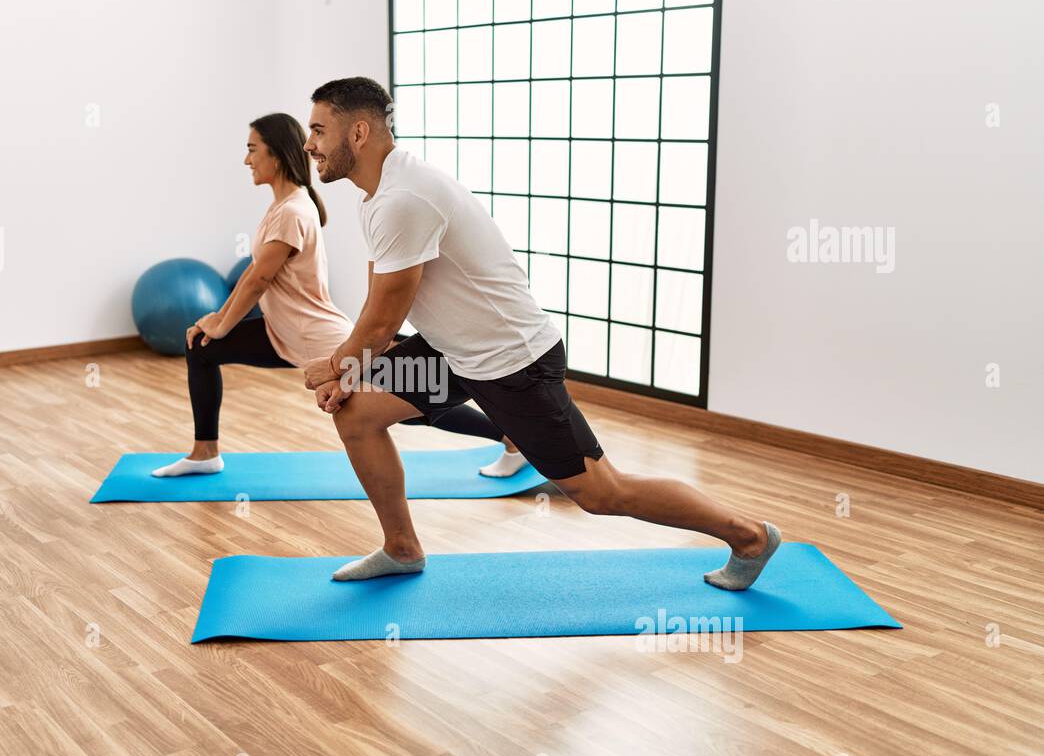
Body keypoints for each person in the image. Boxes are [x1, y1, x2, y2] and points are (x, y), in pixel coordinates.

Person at [299, 77, 782, 588]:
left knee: (601, 493)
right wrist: (351, 373)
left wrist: (336, 367)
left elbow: (380, 323)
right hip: (454, 352)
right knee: (356, 415)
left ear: (357, 133)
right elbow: (380, 304)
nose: (309, 144)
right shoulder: (376, 196)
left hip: (513, 363)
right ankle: (402, 548)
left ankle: (748, 535)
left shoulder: (406, 198)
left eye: (318, 130)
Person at [153, 111, 527, 478]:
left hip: (314, 335)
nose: (246, 159)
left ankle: (512, 437)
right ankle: (205, 454)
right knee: (201, 348)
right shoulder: (284, 205)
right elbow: (254, 271)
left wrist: (221, 323)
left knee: (410, 405)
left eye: (253, 149)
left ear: (277, 154)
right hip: (281, 331)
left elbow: (258, 281)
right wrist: (216, 321)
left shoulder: (292, 210)